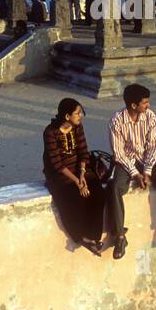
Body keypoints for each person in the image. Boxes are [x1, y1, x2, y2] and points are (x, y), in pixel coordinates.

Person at [106, 84, 156, 259]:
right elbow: (119, 153)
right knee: (114, 188)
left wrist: (148, 171)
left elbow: (154, 145)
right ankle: (119, 236)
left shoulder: (150, 116)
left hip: (147, 159)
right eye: (144, 103)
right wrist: (135, 173)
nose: (148, 106)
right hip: (126, 161)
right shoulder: (116, 121)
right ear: (133, 105)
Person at [42, 98, 104, 254]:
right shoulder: (50, 132)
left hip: (79, 169)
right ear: (67, 116)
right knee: (73, 196)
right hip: (60, 174)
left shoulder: (77, 127)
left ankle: (94, 235)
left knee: (97, 191)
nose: (80, 116)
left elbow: (84, 152)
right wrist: (77, 181)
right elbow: (56, 164)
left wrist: (82, 175)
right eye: (77, 113)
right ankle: (79, 236)